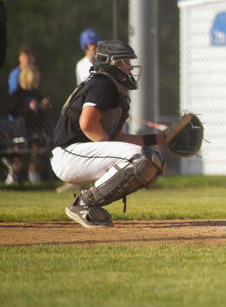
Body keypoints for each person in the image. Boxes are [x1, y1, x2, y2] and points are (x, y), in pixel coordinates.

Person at [50, 40, 167, 228]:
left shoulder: (111, 87)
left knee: (150, 160)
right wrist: (108, 147)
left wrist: (160, 139)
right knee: (140, 160)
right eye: (125, 62)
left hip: (81, 155)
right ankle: (83, 204)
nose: (129, 67)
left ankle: (88, 206)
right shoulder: (102, 84)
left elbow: (119, 138)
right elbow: (87, 124)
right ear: (111, 62)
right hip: (70, 155)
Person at [8, 65, 51, 183]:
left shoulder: (36, 93)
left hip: (34, 129)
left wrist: (42, 108)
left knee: (35, 142)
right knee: (19, 148)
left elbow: (41, 115)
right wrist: (28, 108)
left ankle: (32, 172)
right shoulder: (17, 94)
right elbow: (14, 112)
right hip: (20, 128)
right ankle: (13, 173)